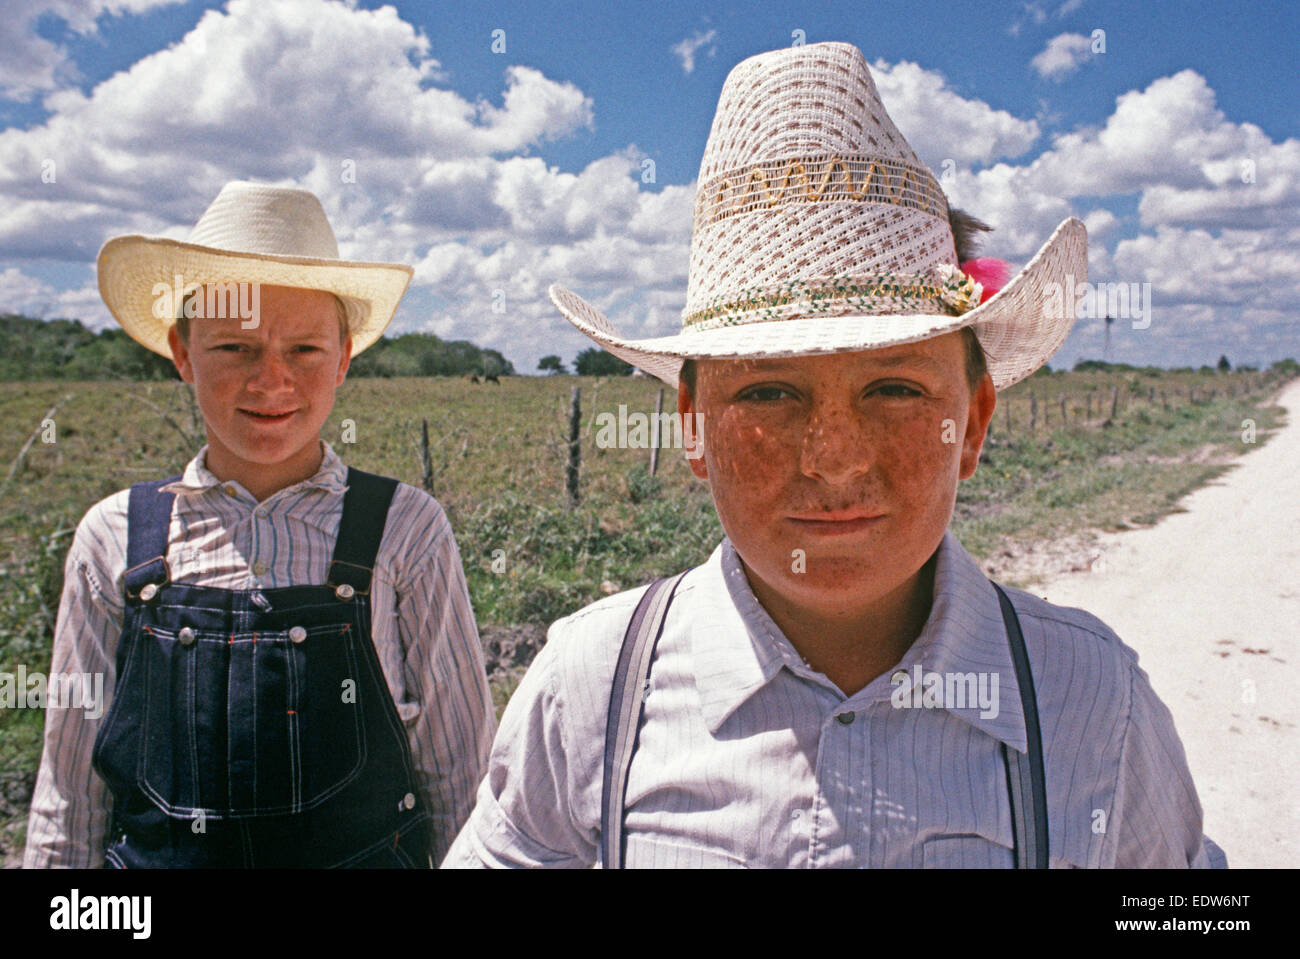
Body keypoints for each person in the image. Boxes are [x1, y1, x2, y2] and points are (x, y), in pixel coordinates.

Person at [443, 42, 1224, 868]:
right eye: (770, 394)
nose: (836, 460)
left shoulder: (1093, 701)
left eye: (895, 390)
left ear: (977, 419)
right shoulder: (590, 689)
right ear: (693, 424)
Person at [24, 181, 496, 868]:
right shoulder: (114, 537)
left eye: (303, 349)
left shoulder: (406, 530)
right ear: (183, 354)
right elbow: (70, 795)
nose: (271, 381)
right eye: (234, 349)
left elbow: (462, 777)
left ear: (343, 358)